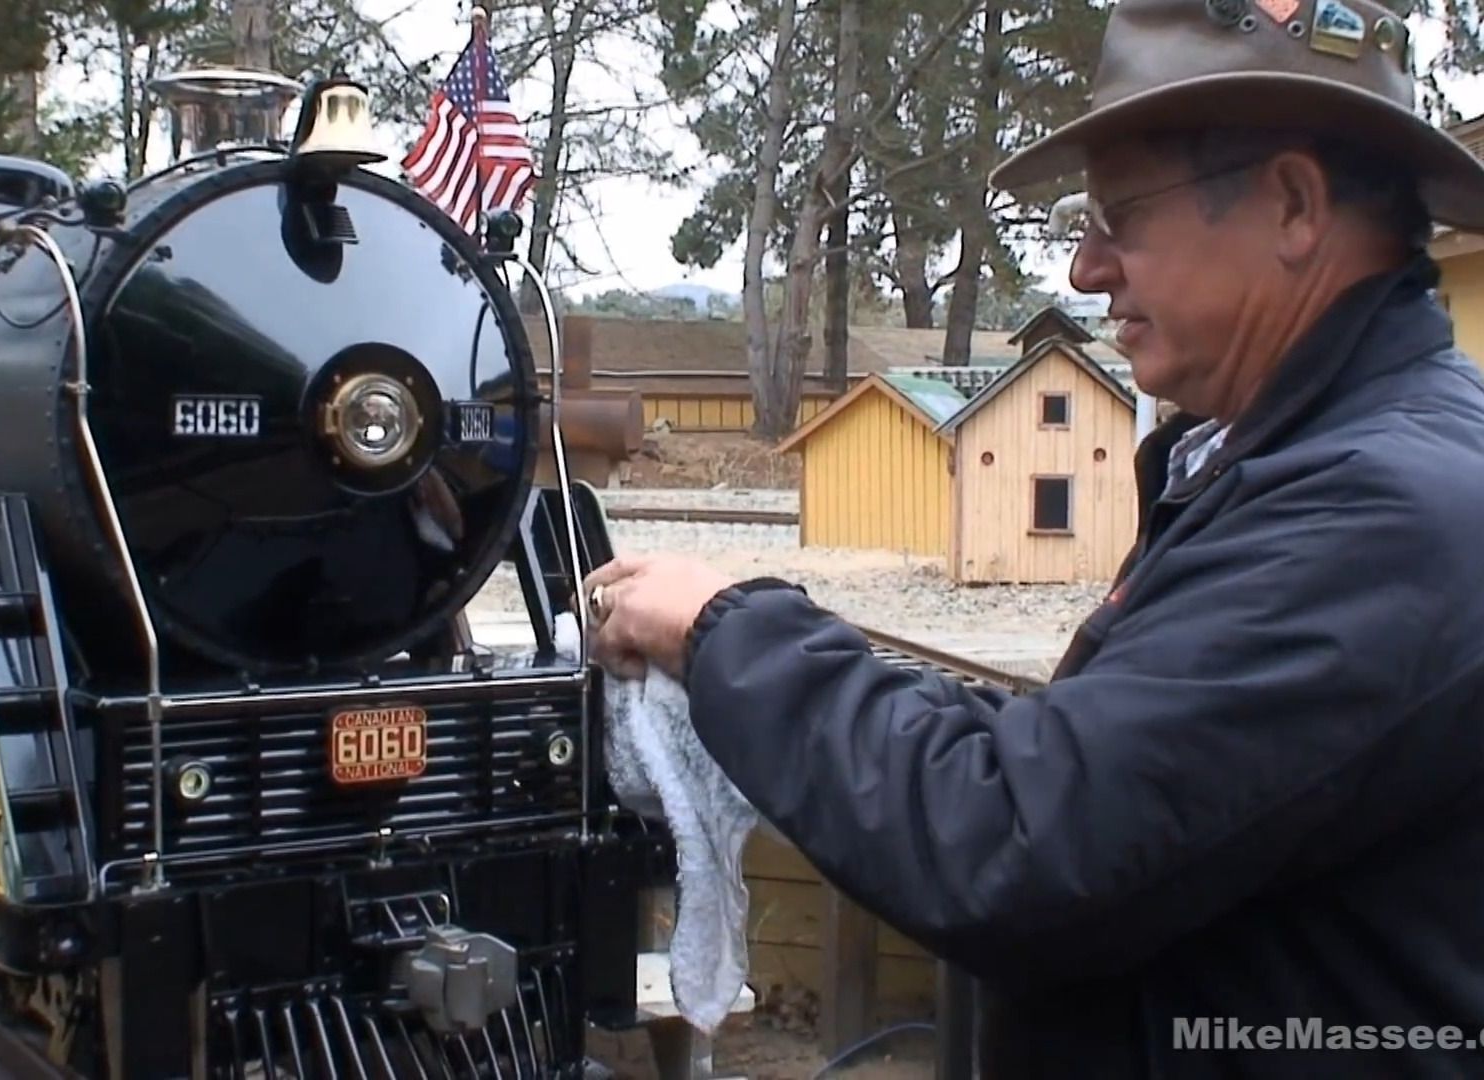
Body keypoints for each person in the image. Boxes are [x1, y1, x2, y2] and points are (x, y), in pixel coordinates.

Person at [583, 0, 1484, 1075]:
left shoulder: (1380, 510)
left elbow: (1020, 837)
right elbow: (1098, 762)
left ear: (1291, 205)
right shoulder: (1291, 461)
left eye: (1119, 216)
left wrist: (722, 632)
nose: (1086, 272)